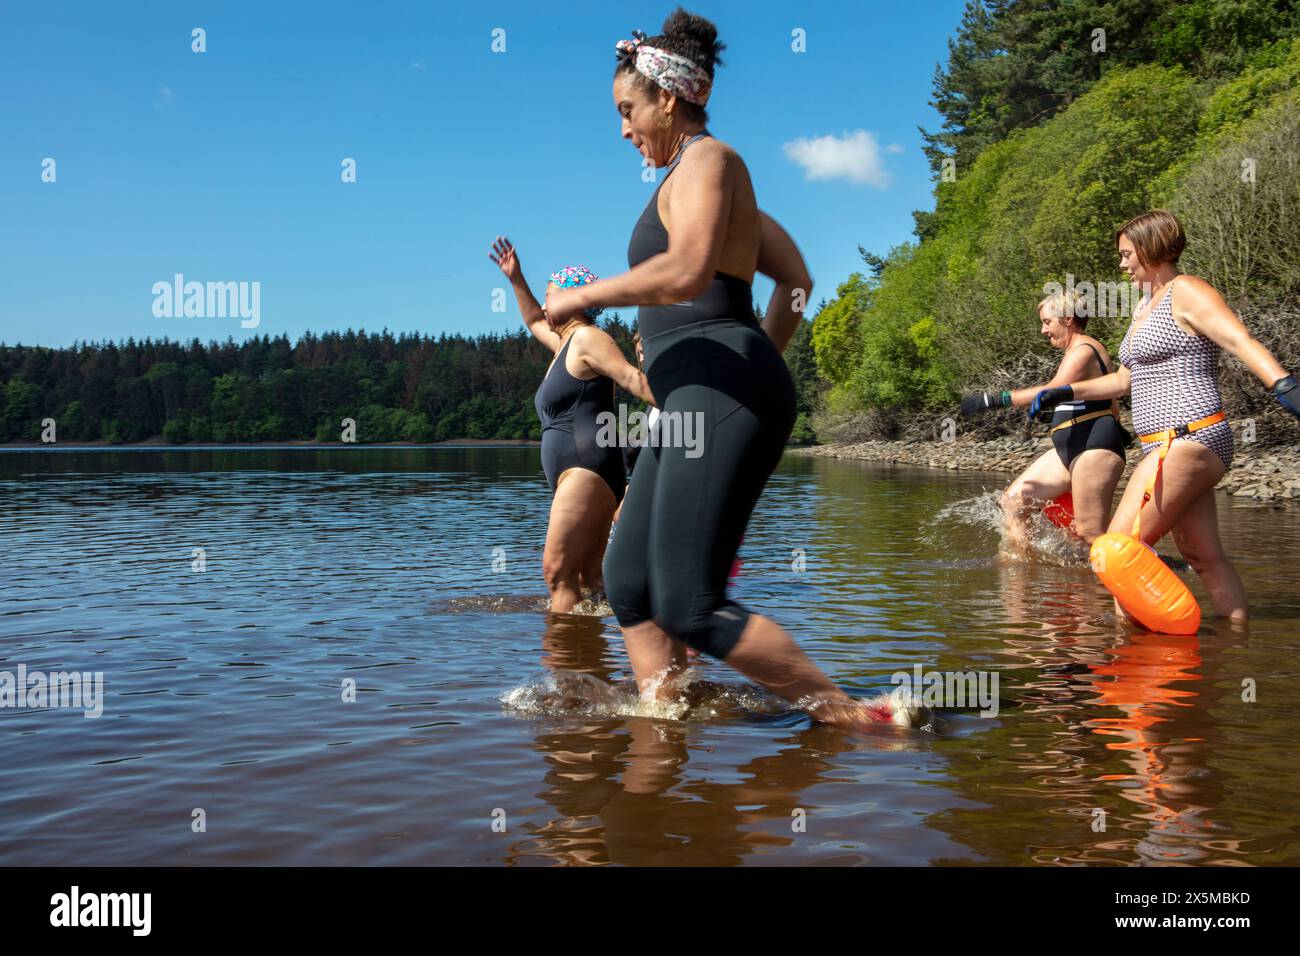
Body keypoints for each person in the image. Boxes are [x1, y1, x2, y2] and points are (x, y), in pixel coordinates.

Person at [541, 9, 898, 730]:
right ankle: (664, 715)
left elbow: (690, 268)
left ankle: (852, 720)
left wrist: (589, 296)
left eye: (627, 110)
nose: (623, 129)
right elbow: (796, 279)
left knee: (689, 602)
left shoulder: (713, 161)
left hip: (719, 391)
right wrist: (747, 347)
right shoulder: (693, 179)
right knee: (629, 582)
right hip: (697, 393)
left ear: (668, 98)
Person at [1030, 210, 1299, 621]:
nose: (1121, 264)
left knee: (1116, 550)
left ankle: (1136, 663)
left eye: (1126, 254)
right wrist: (1064, 391)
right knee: (1203, 556)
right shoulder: (1144, 307)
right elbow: (1122, 382)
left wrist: (1283, 384)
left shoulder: (1187, 291)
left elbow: (1237, 339)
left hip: (1189, 435)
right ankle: (1231, 641)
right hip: (1165, 443)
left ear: (1150, 248)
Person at [489, 240, 655, 613]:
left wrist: (696, 411)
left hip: (587, 469)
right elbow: (533, 320)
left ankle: (564, 668)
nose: (545, 306)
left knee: (557, 574)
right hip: (583, 470)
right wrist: (516, 279)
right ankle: (610, 651)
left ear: (573, 299)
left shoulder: (587, 338)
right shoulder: (566, 343)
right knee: (587, 580)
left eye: (550, 297)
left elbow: (632, 379)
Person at [960, 289, 1129, 547]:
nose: (1043, 330)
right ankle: (1023, 571)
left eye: (1047, 322)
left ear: (1068, 319)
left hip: (1092, 446)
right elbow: (1095, 397)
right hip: (1069, 447)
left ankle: (1144, 567)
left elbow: (1054, 389)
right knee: (1014, 503)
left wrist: (994, 400)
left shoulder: (1085, 349)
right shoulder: (1074, 351)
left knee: (1090, 534)